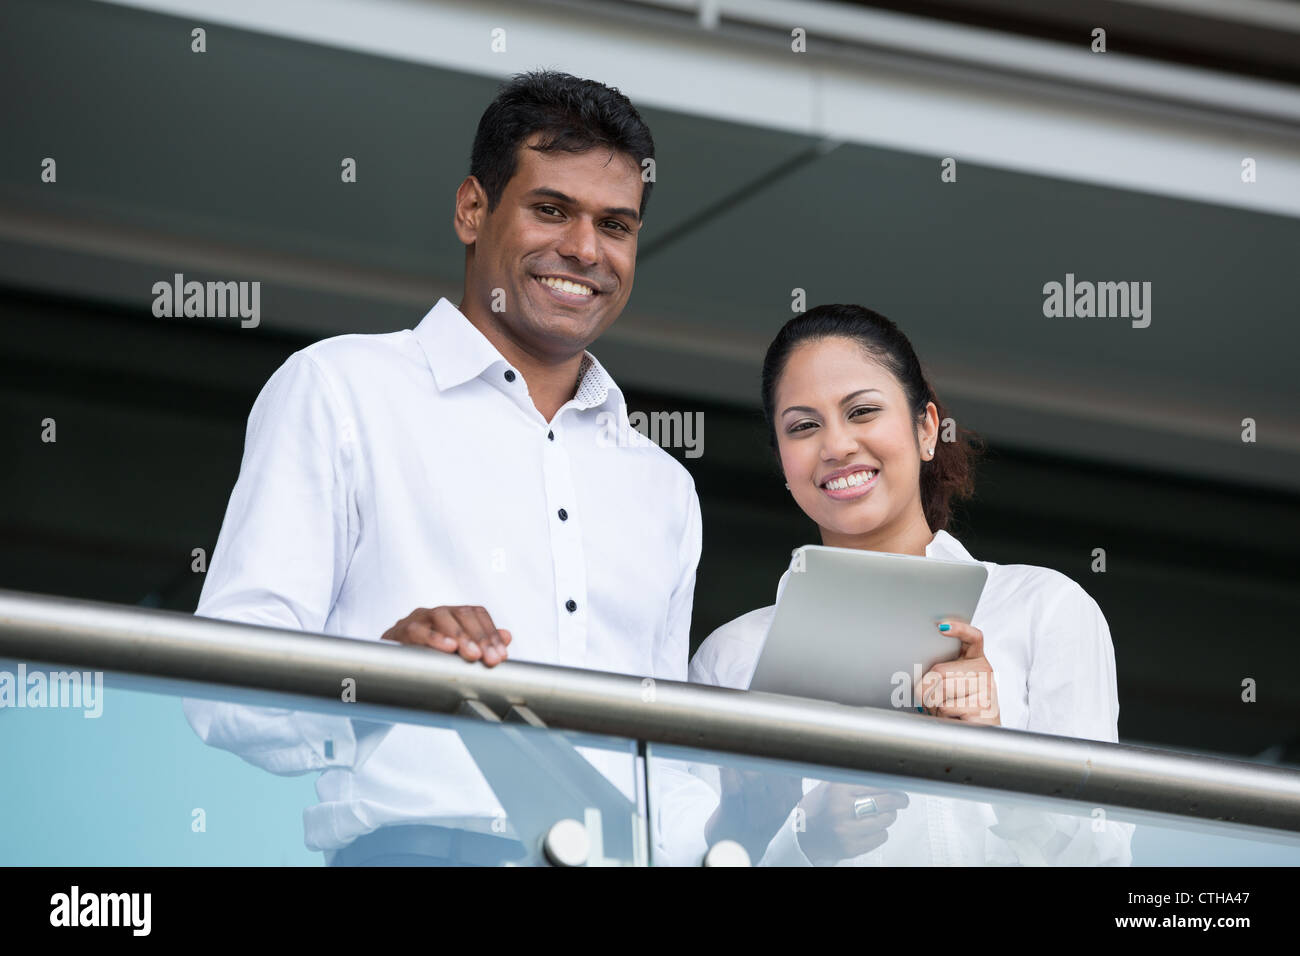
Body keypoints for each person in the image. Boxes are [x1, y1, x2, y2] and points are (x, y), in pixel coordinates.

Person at [183, 70, 705, 866]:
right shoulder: (341, 389)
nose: (584, 250)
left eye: (616, 224)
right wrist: (381, 676)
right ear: (472, 209)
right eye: (551, 209)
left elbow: (666, 759)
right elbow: (220, 684)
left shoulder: (664, 486)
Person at [687, 303, 1134, 865]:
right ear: (782, 460)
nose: (837, 446)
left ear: (926, 429)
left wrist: (998, 756)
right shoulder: (731, 660)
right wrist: (804, 843)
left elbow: (1104, 858)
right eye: (803, 426)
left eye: (863, 411)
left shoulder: (1045, 609)